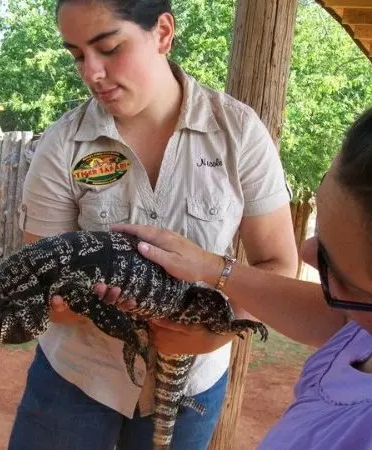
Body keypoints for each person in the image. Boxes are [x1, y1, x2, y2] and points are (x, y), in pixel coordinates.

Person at [9, 0, 298, 448]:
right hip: (79, 379)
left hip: (194, 384)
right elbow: (43, 277)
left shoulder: (239, 132)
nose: (92, 73)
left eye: (108, 47)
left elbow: (277, 262)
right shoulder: (64, 143)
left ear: (163, 32)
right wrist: (72, 302)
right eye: (77, 55)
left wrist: (211, 336)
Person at [98, 107, 372, 449]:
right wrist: (212, 267)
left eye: (333, 265)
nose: (304, 252)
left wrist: (214, 332)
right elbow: (338, 316)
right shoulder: (360, 331)